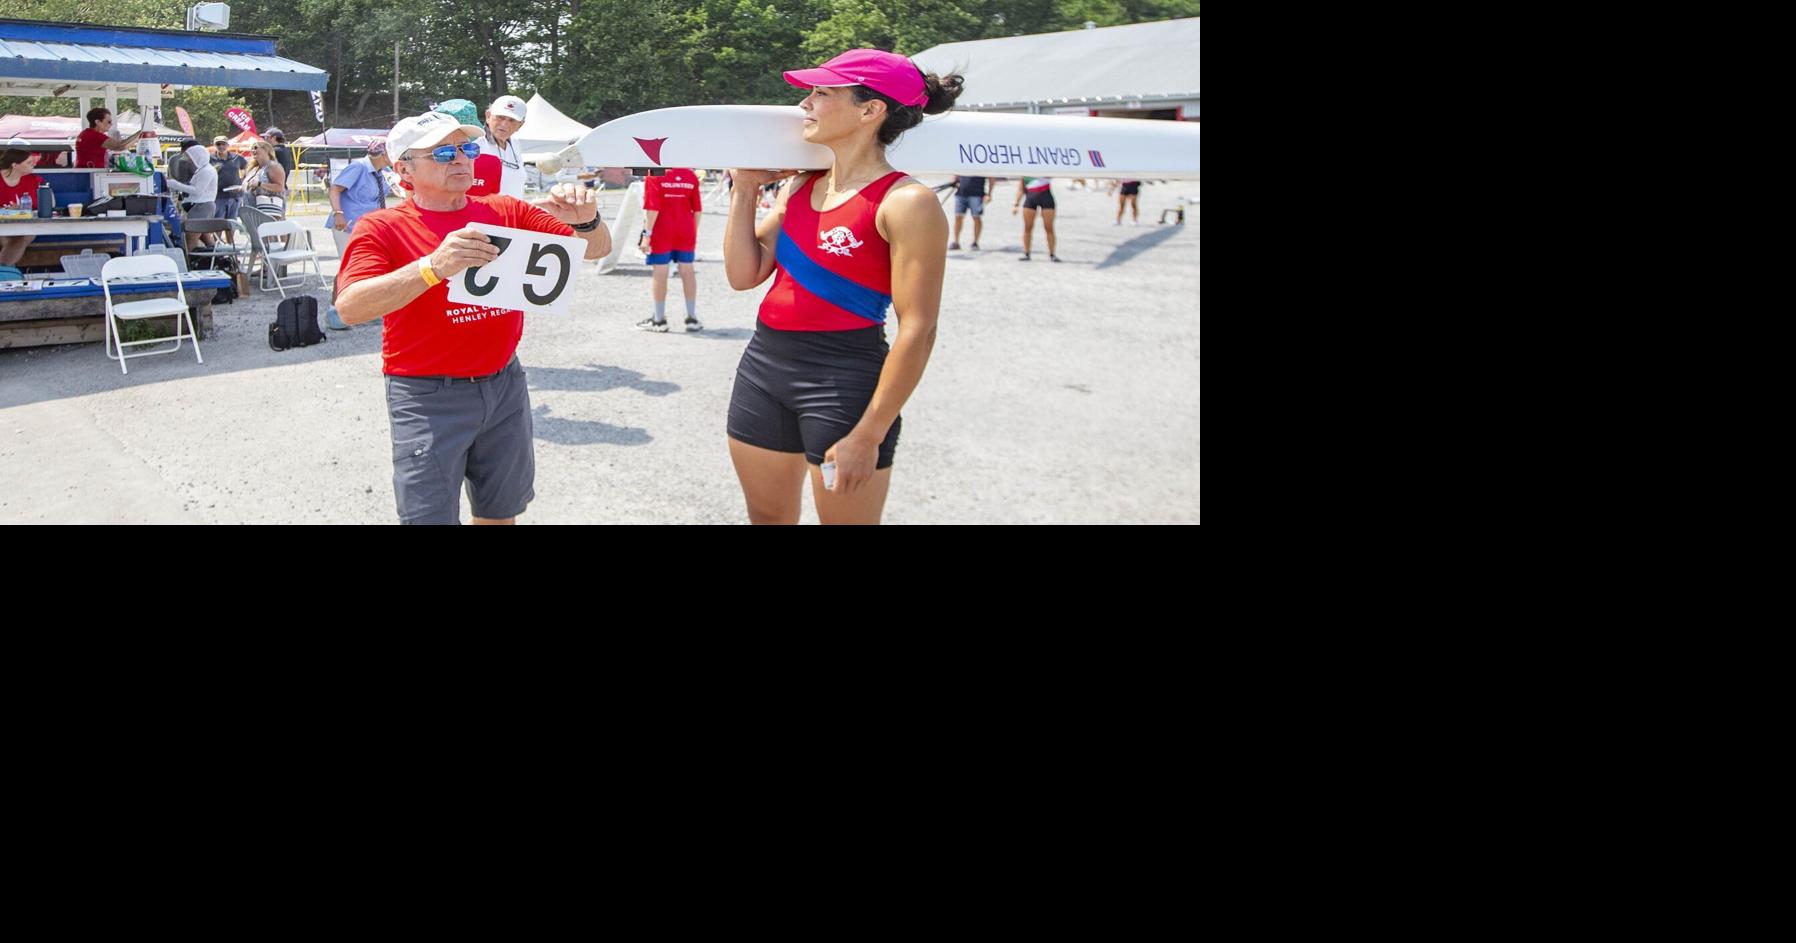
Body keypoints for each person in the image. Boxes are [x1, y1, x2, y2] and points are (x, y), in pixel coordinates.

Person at [334, 111, 611, 525]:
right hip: (425, 394)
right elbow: (350, 307)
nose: (461, 159)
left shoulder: (505, 210)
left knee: (501, 513)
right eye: (444, 151)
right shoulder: (381, 227)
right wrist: (433, 267)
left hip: (504, 384)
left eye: (467, 148)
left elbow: (596, 249)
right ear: (403, 169)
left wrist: (587, 216)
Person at [723, 49, 958, 525]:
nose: (806, 104)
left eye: (822, 93)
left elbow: (918, 328)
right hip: (763, 370)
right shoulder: (801, 187)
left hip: (844, 382)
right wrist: (744, 189)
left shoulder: (906, 202)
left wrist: (869, 434)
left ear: (871, 110)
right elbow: (743, 276)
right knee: (766, 517)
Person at [323, 137, 394, 330]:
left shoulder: (384, 172)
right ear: (382, 154)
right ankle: (334, 311)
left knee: (370, 267)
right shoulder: (359, 168)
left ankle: (365, 309)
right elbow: (334, 190)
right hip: (347, 225)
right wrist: (339, 214)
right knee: (347, 267)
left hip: (368, 227)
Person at [635, 167, 703, 332]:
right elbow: (698, 210)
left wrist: (646, 234)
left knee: (660, 271)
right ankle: (692, 318)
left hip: (662, 230)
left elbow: (653, 208)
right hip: (686, 228)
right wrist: (692, 232)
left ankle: (659, 320)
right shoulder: (690, 175)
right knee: (687, 270)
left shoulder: (655, 175)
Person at [468, 95, 527, 199]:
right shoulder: (475, 147)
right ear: (488, 116)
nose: (504, 124)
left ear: (520, 125)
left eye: (512, 120)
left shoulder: (515, 144)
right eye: (500, 117)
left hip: (516, 213)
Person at [165, 142, 219, 247]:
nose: (189, 161)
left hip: (201, 206)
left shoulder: (206, 171)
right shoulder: (202, 170)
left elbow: (197, 191)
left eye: (190, 158)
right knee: (205, 238)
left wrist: (176, 185)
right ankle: (218, 258)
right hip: (199, 207)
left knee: (190, 239)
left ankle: (188, 261)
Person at [0, 149, 46, 265]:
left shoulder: (34, 180)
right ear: (15, 165)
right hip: (2, 225)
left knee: (25, 235)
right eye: (29, 162)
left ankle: (4, 270)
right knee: (10, 238)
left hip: (26, 224)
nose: (34, 164)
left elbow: (48, 205)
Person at [74, 108, 143, 168]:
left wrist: (138, 136)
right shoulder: (94, 135)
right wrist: (140, 133)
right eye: (109, 122)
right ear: (97, 122)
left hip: (86, 171)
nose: (111, 124)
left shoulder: (86, 133)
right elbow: (120, 146)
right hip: (89, 173)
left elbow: (121, 146)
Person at [1013, 176, 1058, 261]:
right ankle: (1026, 253)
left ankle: (1052, 254)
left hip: (1046, 196)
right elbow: (1020, 189)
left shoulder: (1044, 167)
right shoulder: (1025, 172)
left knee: (1049, 227)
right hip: (1030, 197)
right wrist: (1016, 204)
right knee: (1027, 227)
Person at [243, 139, 288, 219]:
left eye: (256, 148)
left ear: (266, 150)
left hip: (269, 211)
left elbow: (280, 187)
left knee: (271, 230)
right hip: (252, 209)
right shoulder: (254, 169)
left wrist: (260, 184)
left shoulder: (273, 166)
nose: (253, 150)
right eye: (252, 148)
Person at [948, 175, 989, 250]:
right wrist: (953, 180)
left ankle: (975, 242)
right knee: (958, 217)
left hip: (977, 194)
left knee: (976, 217)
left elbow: (991, 178)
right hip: (961, 193)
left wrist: (989, 194)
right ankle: (956, 242)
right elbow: (956, 173)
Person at [212, 136, 246, 221]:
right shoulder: (210, 159)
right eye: (218, 144)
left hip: (235, 196)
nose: (221, 146)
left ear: (228, 145)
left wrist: (243, 182)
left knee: (232, 224)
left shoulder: (236, 158)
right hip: (218, 196)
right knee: (217, 223)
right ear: (214, 145)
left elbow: (248, 168)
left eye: (223, 144)